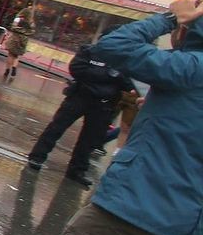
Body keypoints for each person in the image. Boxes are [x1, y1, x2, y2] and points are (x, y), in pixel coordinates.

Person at [27, 0, 203, 235]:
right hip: (184, 219)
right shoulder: (186, 76)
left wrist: (169, 18)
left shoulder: (191, 67)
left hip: (139, 201)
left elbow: (112, 45)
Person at [25, 36, 137, 186]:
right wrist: (108, 74)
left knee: (89, 139)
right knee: (56, 127)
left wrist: (113, 76)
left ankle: (77, 170)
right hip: (79, 97)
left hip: (104, 103)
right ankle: (37, 157)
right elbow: (77, 70)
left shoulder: (122, 59)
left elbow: (128, 83)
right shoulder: (89, 51)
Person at [3, 0, 36, 81]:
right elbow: (32, 31)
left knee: (10, 55)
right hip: (23, 40)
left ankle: (7, 70)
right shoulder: (31, 22)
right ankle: (14, 68)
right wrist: (25, 32)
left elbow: (13, 27)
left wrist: (18, 30)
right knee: (16, 56)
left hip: (15, 38)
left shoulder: (18, 19)